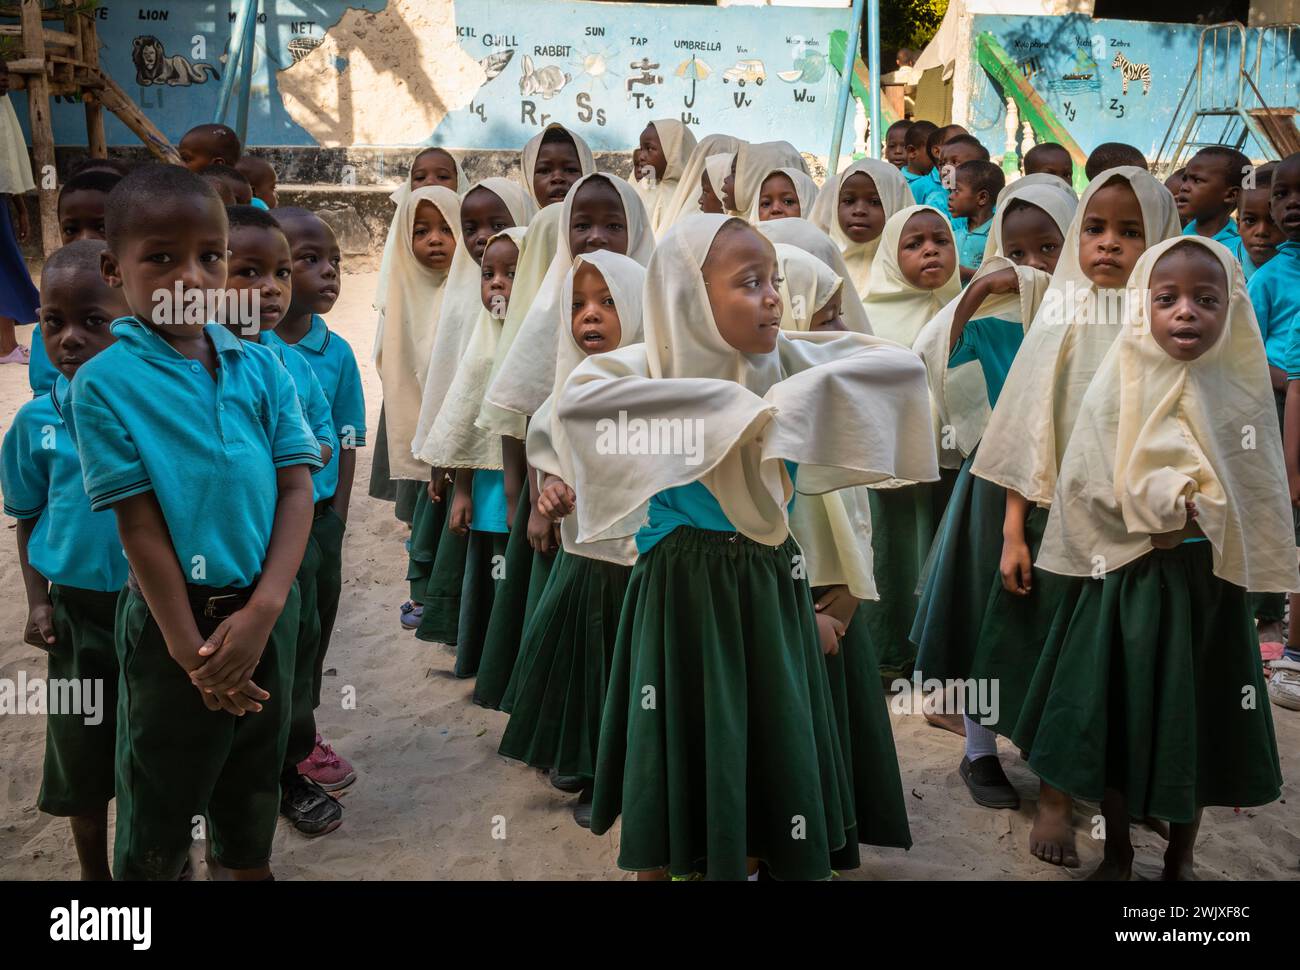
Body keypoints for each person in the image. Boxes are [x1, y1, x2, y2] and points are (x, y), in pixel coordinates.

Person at [559, 214, 935, 879]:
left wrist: (790, 396)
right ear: (688, 301)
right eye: (751, 283)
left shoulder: (783, 361)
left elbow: (897, 366)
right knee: (679, 727)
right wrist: (744, 413)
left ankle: (756, 854)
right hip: (683, 586)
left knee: (766, 730)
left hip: (769, 578)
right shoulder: (645, 371)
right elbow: (583, 409)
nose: (773, 298)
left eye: (775, 281)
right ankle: (665, 862)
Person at [64, 163, 321, 880]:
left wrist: (267, 609)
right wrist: (190, 654)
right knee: (160, 809)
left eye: (211, 257)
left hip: (268, 614)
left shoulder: (261, 368)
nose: (193, 278)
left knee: (250, 794)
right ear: (115, 269)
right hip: (171, 631)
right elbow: (140, 528)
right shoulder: (105, 386)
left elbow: (297, 491)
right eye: (163, 258)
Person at [1029, 236, 1289, 880]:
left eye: (1207, 300)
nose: (1185, 313)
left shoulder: (1240, 391)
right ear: (1143, 306)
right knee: (1121, 715)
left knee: (1194, 724)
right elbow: (1087, 479)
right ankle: (1118, 851)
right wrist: (1153, 515)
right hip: (1129, 583)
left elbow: (1255, 490)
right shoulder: (1120, 382)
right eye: (1167, 299)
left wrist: (1205, 515)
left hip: (1207, 591)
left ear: (1232, 309)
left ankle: (1181, 856)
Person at [969, 167, 1180, 865]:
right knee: (1052, 665)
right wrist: (1010, 532)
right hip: (1054, 525)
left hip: (1140, 540)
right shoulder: (1061, 314)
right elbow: (1026, 426)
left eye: (1130, 232)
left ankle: (1107, 796)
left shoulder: (1172, 322)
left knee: (1104, 674)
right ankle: (1055, 798)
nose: (1109, 246)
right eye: (1095, 229)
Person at [500, 249, 645, 826]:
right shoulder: (567, 386)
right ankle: (586, 766)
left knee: (631, 670)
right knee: (588, 667)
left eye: (608, 302)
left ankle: (626, 774)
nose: (591, 316)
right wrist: (551, 491)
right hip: (587, 557)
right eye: (579, 304)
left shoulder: (657, 385)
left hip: (639, 560)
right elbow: (550, 452)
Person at [1, 239, 128, 879]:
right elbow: (28, 518)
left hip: (156, 613)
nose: (69, 338)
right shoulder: (32, 426)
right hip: (78, 619)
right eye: (53, 322)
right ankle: (93, 877)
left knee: (153, 746)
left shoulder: (154, 415)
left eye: (94, 322)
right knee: (82, 751)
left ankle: (157, 861)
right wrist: (38, 599)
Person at [221, 204, 343, 836]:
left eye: (276, 273)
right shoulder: (181, 371)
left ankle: (289, 771)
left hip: (288, 548)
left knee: (291, 669)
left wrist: (292, 454)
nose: (267, 289)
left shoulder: (287, 366)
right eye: (245, 272)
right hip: (221, 556)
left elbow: (322, 439)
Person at [267, 206, 367, 795]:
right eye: (308, 261)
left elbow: (348, 439)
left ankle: (301, 738)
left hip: (319, 519)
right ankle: (275, 750)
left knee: (313, 634)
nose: (328, 272)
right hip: (269, 522)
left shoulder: (337, 353)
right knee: (277, 637)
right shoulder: (241, 351)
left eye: (334, 261)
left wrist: (338, 518)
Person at [857, 205, 960, 678]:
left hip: (949, 463)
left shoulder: (963, 304)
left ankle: (932, 655)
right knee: (892, 556)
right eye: (913, 244)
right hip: (886, 464)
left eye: (940, 240)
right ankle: (886, 655)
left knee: (936, 553)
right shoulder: (869, 313)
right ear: (891, 255)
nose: (930, 251)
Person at [369, 149, 465, 519]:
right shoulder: (403, 271)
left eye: (444, 176)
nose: (435, 240)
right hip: (409, 390)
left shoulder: (474, 282)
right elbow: (388, 343)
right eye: (420, 177)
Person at [806, 157, 914, 298]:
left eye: (875, 202)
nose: (859, 210)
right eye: (849, 201)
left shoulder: (910, 278)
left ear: (895, 204)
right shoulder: (815, 271)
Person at [632, 119, 696, 237]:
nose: (641, 156)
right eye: (641, 149)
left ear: (673, 151)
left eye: (649, 148)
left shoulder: (691, 195)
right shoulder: (640, 190)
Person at [1177, 145, 1249, 245]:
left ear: (1231, 195)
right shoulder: (1177, 234)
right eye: (1185, 179)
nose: (1183, 187)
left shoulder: (1240, 248)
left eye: (1197, 180)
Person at [948, 159, 1005, 282]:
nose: (950, 196)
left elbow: (1003, 275)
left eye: (956, 191)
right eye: (950, 191)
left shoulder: (998, 234)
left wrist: (967, 274)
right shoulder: (954, 234)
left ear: (982, 197)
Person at [747, 167, 818, 222]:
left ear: (810, 205)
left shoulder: (821, 241)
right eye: (766, 204)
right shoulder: (744, 240)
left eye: (788, 202)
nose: (775, 209)